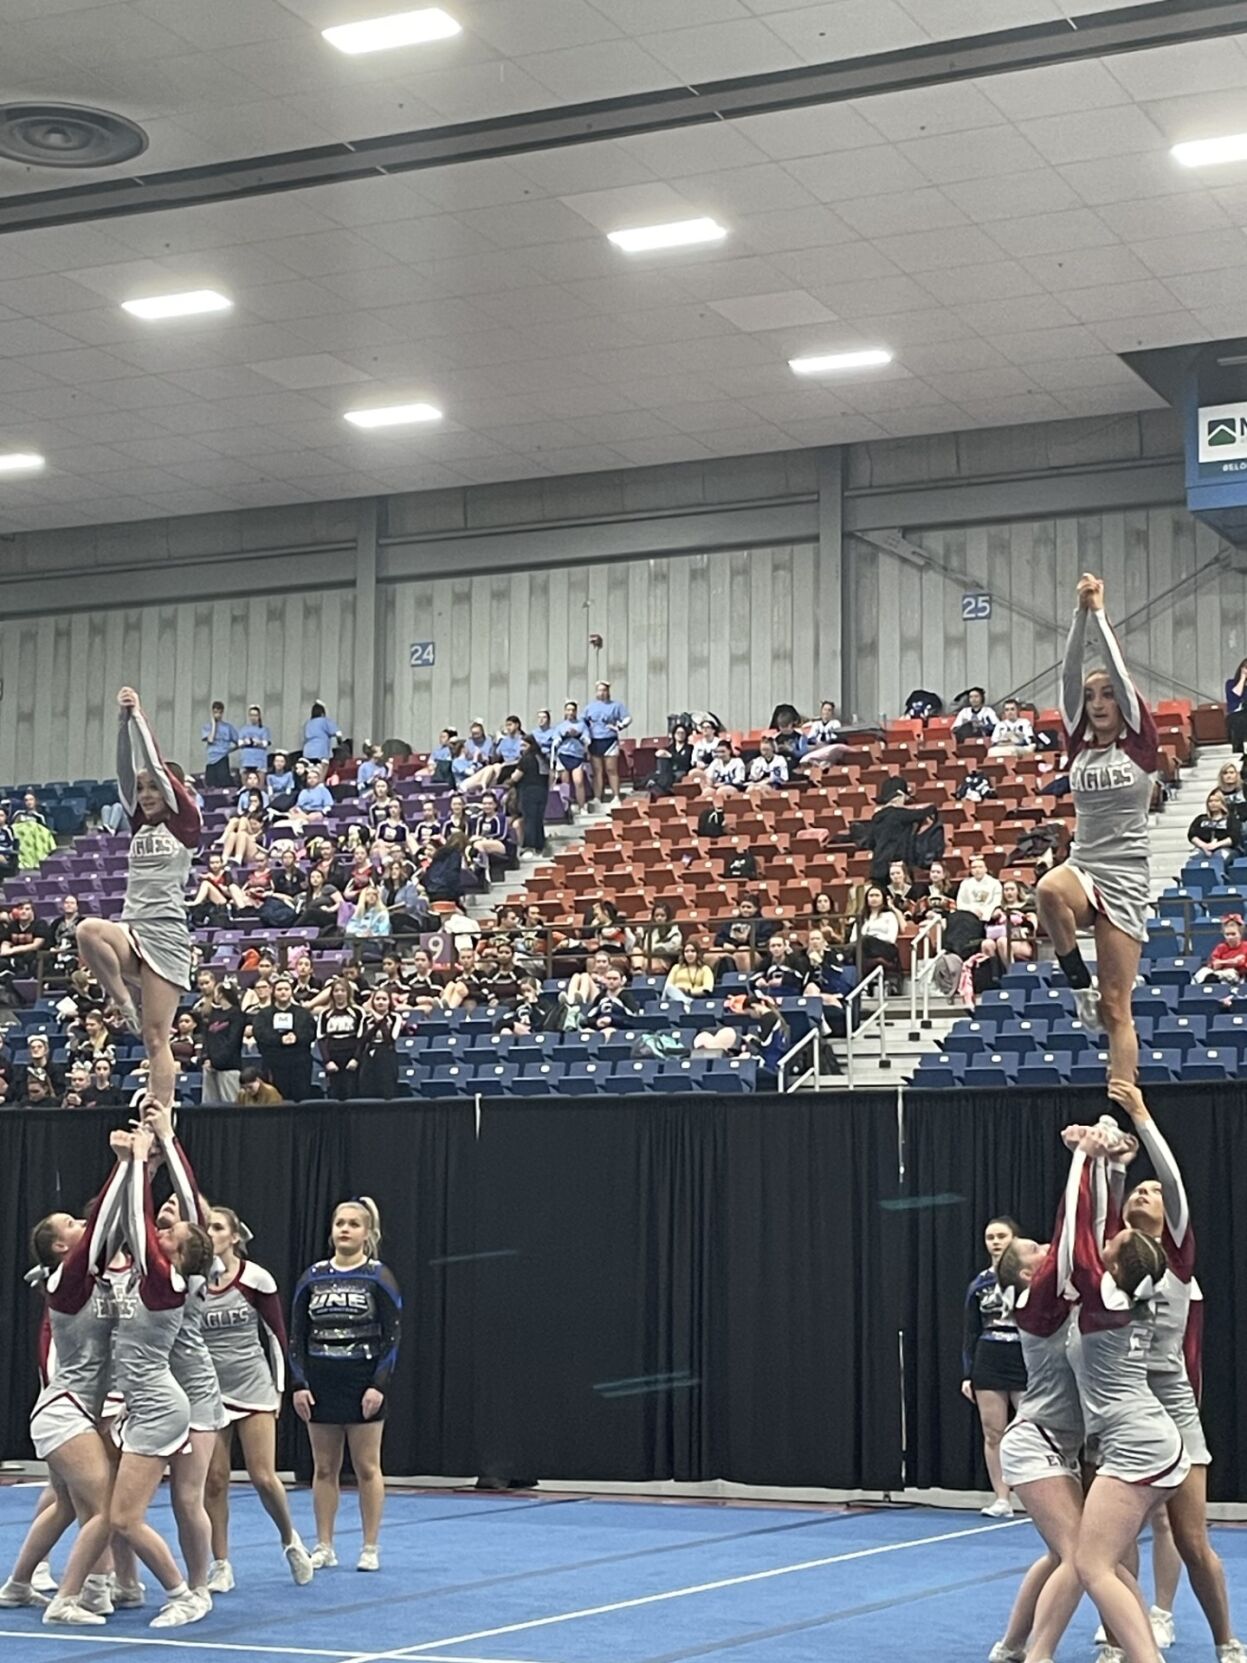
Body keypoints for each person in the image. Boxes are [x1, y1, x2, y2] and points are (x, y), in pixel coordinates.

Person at [1110, 1080, 1247, 1660]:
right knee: (1114, 1540)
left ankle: (1227, 1640)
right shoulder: (1110, 1255)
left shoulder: (1176, 1257)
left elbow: (1171, 1181)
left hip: (1172, 1407)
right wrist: (1109, 1163)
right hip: (1118, 1406)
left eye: (1152, 1192)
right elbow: (1100, 1205)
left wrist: (1141, 1117)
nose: (1146, 1193)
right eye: (1136, 1191)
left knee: (1192, 1539)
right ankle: (1122, 1636)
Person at [1060, 1121, 1189, 1663]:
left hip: (1139, 1442)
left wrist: (1084, 1160)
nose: (1109, 1236)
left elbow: (1077, 1231)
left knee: (1092, 1566)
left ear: (1112, 1264)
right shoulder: (1123, 1291)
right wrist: (1111, 1168)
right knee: (1106, 1562)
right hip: (1143, 1436)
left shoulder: (1104, 1300)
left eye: (1113, 1244)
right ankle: (1138, 1648)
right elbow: (1100, 1227)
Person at [1, 1139, 131, 1621]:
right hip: (66, 1411)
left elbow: (114, 1225)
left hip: (69, 1407)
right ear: (61, 1247)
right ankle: (76, 1595)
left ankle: (16, 1585)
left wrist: (139, 1171)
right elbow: (101, 1224)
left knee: (62, 1505)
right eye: (71, 1225)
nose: (81, 1225)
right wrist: (124, 1164)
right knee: (103, 1508)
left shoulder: (84, 1275)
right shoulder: (66, 1280)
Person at [1036, 573, 1158, 1085]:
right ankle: (1076, 982)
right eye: (1092, 697)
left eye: (1108, 695)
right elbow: (1068, 677)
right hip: (1085, 866)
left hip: (1126, 875)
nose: (1100, 702)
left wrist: (1100, 614)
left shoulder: (1140, 744)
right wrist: (1078, 615)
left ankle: (1122, 1105)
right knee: (1047, 890)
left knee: (1116, 1008)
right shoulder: (1078, 746)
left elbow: (1120, 675)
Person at [107, 1123, 216, 1629]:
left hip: (177, 1397)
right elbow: (136, 1219)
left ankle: (193, 1588)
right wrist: (152, 1158)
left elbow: (144, 1215)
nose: (164, 1226)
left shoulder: (172, 1277)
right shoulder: (159, 1268)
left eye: (170, 1231)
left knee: (172, 1502)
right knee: (119, 1505)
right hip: (147, 1395)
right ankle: (127, 1582)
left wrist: (147, 1156)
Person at [76, 689, 202, 1114]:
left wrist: (139, 716)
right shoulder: (138, 823)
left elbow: (158, 767)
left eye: (153, 789)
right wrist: (120, 724)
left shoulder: (185, 824)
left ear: (171, 792)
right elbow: (123, 775)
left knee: (155, 1038)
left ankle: (159, 1117)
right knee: (87, 931)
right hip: (133, 928)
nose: (145, 795)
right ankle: (121, 1001)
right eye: (142, 789)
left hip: (167, 936)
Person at [201, 1206, 314, 1592]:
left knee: (263, 1476)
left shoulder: (255, 1278)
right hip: (209, 1390)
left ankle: (289, 1539)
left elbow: (277, 1337)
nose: (210, 1233)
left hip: (253, 1385)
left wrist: (281, 1389)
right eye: (205, 1227)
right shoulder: (191, 1281)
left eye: (218, 1227)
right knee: (214, 1480)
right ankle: (220, 1564)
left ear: (235, 1236)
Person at [988, 1228, 1086, 1663]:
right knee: (1079, 1557)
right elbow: (1071, 1237)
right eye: (1035, 1250)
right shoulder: (1033, 1307)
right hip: (1035, 1440)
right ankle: (1039, 1654)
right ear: (1028, 1274)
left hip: (1063, 1445)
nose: (1045, 1248)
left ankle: (1010, 1645)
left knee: (1057, 1555)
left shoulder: (1060, 1301)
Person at [290, 1198, 401, 1573]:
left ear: (367, 1233)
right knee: (324, 1468)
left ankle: (370, 1546)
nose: (345, 1229)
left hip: (362, 1379)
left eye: (354, 1224)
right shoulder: (312, 1276)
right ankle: (324, 1544)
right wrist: (299, 1383)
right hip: (321, 1379)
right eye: (340, 1223)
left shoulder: (378, 1276)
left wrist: (378, 1385)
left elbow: (393, 1335)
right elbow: (296, 1335)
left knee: (367, 1466)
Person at [962, 1215, 1026, 1519]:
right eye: (991, 1238)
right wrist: (968, 1374)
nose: (996, 1242)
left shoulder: (1030, 1276)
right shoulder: (980, 1283)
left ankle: (1037, 1495)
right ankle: (1002, 1498)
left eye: (1002, 1236)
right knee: (993, 1432)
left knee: (1032, 1428)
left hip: (1024, 1355)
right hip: (989, 1356)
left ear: (1014, 1239)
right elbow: (970, 1330)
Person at [251, 976, 316, 1102]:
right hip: (274, 1062)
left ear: (291, 992)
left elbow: (311, 1032)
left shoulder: (303, 1013)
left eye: (286, 989)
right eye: (279, 989)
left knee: (301, 1098)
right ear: (273, 992)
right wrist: (279, 1039)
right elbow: (260, 1034)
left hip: (299, 1063)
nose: (283, 992)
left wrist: (296, 1037)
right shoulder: (263, 1014)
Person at [861, 780, 935, 887]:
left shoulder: (876, 817)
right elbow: (926, 812)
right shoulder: (900, 814)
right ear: (900, 795)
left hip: (878, 868)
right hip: (897, 868)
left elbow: (870, 843)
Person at [583, 681, 631, 805]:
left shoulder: (616, 705)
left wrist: (620, 726)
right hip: (595, 741)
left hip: (610, 741)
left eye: (604, 690)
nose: (602, 693)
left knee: (611, 769)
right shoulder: (589, 707)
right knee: (597, 771)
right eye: (599, 690)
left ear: (608, 691)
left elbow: (627, 718)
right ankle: (597, 797)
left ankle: (616, 796)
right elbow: (583, 723)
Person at [317, 980, 363, 1102]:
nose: (339, 994)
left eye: (343, 990)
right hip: (333, 1056)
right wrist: (327, 1061)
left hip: (351, 1056)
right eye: (336, 991)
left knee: (352, 1092)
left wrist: (356, 1058)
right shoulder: (325, 1013)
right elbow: (321, 1039)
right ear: (332, 994)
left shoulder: (357, 1012)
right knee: (334, 1093)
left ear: (348, 993)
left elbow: (362, 1038)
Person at [201, 983, 245, 1105]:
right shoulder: (214, 1014)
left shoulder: (237, 1015)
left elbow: (232, 1042)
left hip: (229, 1067)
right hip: (210, 1067)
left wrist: (217, 1061)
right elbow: (207, 1039)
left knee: (230, 1103)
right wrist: (206, 1058)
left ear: (220, 995)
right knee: (210, 1104)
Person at [356, 988, 402, 1099]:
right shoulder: (366, 1019)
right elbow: (363, 1038)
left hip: (387, 1055)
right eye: (377, 999)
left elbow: (390, 1038)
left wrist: (378, 1019)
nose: (380, 1002)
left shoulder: (395, 1017)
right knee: (367, 1090)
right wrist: (375, 1019)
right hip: (369, 1055)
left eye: (384, 999)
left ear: (389, 1002)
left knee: (387, 1090)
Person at [1188, 788, 1240, 870]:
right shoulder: (1201, 818)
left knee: (1219, 856)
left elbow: (1234, 837)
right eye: (1210, 801)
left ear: (1222, 803)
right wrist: (1204, 846)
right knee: (1196, 856)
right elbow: (1192, 835)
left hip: (1225, 848)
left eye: (1216, 801)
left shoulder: (1231, 819)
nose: (1213, 803)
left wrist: (1215, 845)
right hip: (1203, 848)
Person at [552, 700, 590, 810]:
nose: (571, 712)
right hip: (563, 755)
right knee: (565, 783)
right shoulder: (560, 726)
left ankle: (582, 807)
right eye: (568, 710)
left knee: (579, 782)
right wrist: (564, 736)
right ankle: (566, 808)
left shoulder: (582, 725)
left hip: (577, 756)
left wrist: (577, 735)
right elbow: (555, 740)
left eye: (573, 710)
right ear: (565, 711)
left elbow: (587, 740)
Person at [200, 701, 238, 789]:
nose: (217, 715)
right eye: (215, 712)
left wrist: (229, 750)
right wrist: (214, 724)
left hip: (222, 758)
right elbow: (210, 739)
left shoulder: (228, 727)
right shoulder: (207, 727)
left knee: (223, 782)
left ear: (222, 713)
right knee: (211, 784)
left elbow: (238, 743)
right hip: (211, 759)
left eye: (219, 712)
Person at [956, 854, 1003, 923]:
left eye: (980, 867)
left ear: (985, 869)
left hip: (989, 916)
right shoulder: (965, 884)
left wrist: (986, 913)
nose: (977, 870)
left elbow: (996, 902)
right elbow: (960, 903)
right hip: (969, 917)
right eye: (974, 867)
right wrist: (972, 911)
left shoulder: (995, 883)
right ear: (970, 870)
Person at [302, 702, 341, 767]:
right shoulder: (325, 721)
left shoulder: (308, 723)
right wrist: (340, 743)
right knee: (321, 770)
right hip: (321, 751)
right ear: (323, 712)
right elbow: (338, 733)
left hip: (307, 752)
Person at [237, 708, 271, 782]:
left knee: (259, 782)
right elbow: (239, 743)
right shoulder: (244, 729)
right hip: (246, 760)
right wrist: (245, 742)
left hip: (259, 760)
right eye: (251, 715)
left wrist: (259, 742)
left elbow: (266, 743)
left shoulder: (264, 729)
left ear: (259, 716)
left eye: (255, 715)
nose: (253, 717)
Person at [1226, 659, 1247, 755]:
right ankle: (1239, 750)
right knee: (1238, 720)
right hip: (1236, 714)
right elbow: (1236, 695)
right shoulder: (1231, 683)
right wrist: (1242, 678)